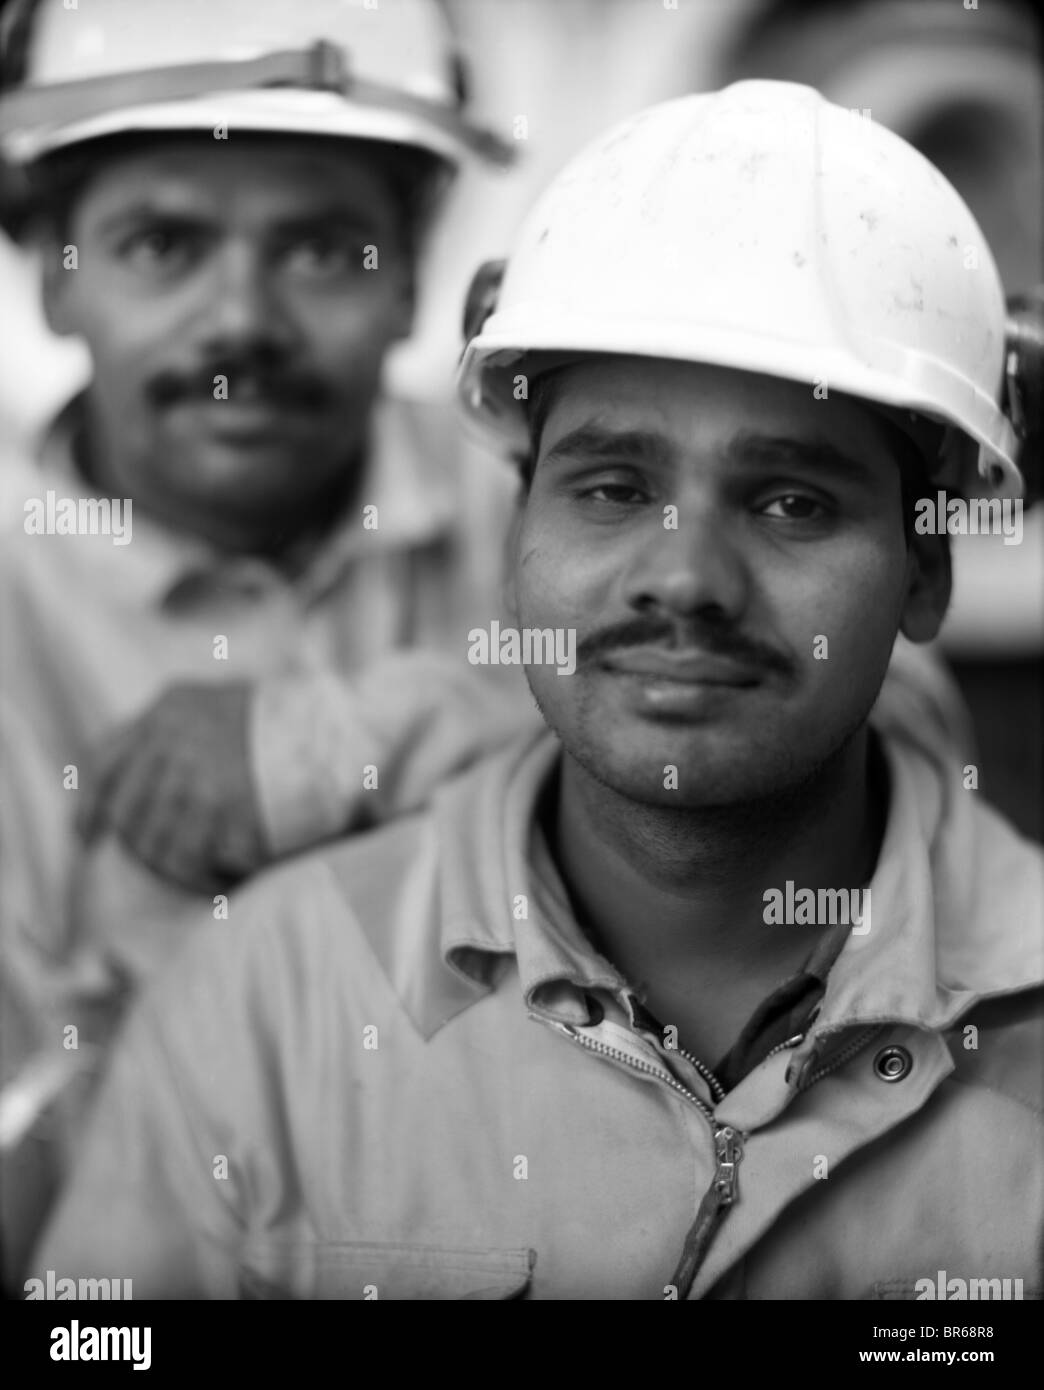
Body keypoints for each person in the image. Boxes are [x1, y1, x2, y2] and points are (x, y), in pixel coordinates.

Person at [30, 82, 1043, 1300]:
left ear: (925, 565)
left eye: (794, 503)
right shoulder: (262, 998)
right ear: (512, 529)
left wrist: (333, 742)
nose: (684, 577)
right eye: (612, 488)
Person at [0, 0, 529, 1283]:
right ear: (55, 278)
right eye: (163, 243)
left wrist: (343, 741)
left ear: (410, 277)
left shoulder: (549, 498)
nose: (240, 322)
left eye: (318, 250)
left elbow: (874, 707)